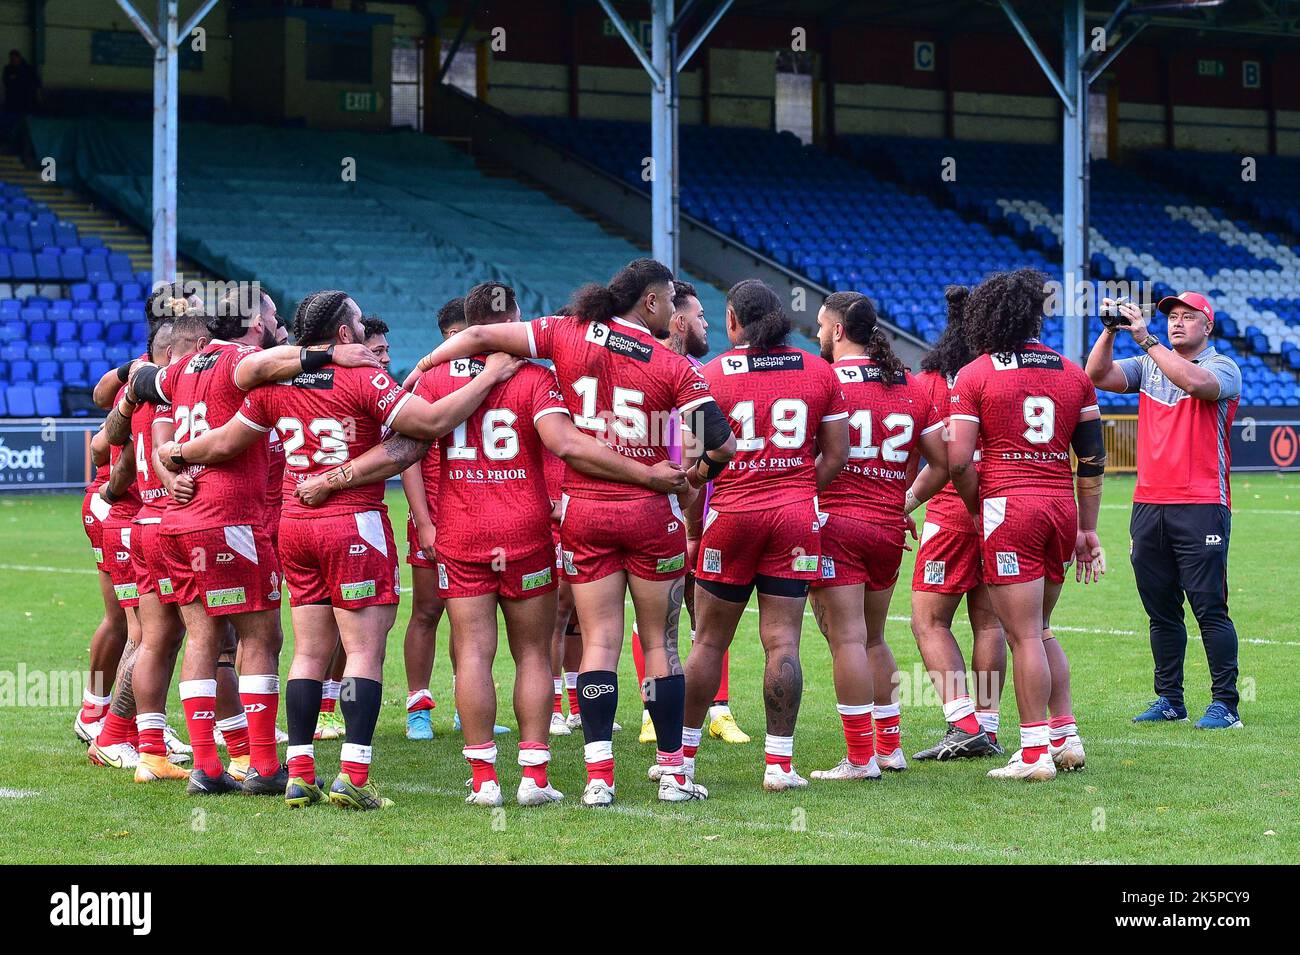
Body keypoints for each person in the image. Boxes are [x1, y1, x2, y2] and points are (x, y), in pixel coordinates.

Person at [160, 290, 522, 810]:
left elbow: (220, 445)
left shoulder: (273, 384)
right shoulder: (364, 375)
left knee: (308, 653)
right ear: (347, 335)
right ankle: (353, 774)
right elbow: (426, 426)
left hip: (296, 526)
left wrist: (175, 453)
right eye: (357, 320)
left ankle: (300, 773)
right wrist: (489, 377)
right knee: (363, 653)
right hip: (353, 524)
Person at [405, 258, 736, 806]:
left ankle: (598, 778)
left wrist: (423, 366)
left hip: (584, 512)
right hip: (650, 512)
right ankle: (673, 772)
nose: (677, 313)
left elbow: (484, 335)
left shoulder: (567, 333)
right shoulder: (673, 367)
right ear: (651, 302)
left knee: (597, 642)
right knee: (660, 642)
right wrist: (692, 475)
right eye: (673, 302)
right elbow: (720, 446)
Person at [127, 293, 383, 796]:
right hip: (230, 521)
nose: (276, 321)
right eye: (268, 314)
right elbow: (269, 364)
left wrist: (166, 463)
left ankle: (207, 766)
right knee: (260, 640)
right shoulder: (239, 360)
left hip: (178, 523)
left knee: (202, 640)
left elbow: (138, 383)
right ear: (253, 323)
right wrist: (331, 354)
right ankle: (264, 766)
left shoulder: (179, 370)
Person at [679, 279, 849, 793]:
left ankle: (680, 762)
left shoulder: (708, 375)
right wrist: (795, 490)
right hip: (795, 521)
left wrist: (693, 528)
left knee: (709, 640)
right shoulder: (819, 370)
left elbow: (693, 464)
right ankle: (779, 767)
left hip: (731, 515)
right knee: (784, 641)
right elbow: (836, 454)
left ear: (733, 319)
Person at [948, 269, 1106, 782]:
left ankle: (1035, 752)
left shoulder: (975, 374)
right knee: (1039, 629)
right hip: (1060, 505)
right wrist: (1087, 529)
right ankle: (1066, 735)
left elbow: (957, 462)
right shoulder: (1074, 374)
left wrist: (977, 507)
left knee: (1022, 636)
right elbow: (1094, 462)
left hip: (1009, 506)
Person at [807, 291, 953, 780]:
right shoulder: (908, 385)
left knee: (846, 639)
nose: (817, 334)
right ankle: (889, 748)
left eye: (822, 326)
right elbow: (944, 462)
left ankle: (859, 757)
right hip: (888, 527)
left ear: (839, 331)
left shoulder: (824, 381)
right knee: (873, 637)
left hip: (837, 523)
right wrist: (903, 501)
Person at [1086, 292, 1243, 729]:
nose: (1177, 323)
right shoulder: (1149, 362)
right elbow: (1096, 374)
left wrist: (1146, 340)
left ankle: (1226, 704)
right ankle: (1170, 699)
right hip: (1149, 503)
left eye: (1187, 317)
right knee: (1161, 609)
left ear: (1207, 326)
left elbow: (1197, 385)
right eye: (1172, 317)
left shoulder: (1223, 366)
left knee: (1209, 607)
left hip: (1202, 505)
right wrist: (1110, 330)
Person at [633, 280, 749, 746]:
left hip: (712, 513)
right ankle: (651, 710)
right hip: (662, 512)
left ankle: (717, 708)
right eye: (701, 317)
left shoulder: (702, 374)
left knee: (708, 617)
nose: (708, 325)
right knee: (659, 617)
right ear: (678, 320)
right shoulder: (648, 372)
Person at [908, 287, 1008, 760]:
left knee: (928, 620)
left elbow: (933, 459)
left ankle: (963, 722)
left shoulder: (931, 382)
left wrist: (904, 502)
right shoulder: (999, 376)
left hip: (950, 514)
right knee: (990, 623)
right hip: (998, 512)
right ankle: (987, 726)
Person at [399, 297, 465, 739]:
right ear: (445, 337)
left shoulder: (491, 378)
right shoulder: (427, 383)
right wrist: (424, 522)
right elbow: (409, 460)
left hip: (475, 519)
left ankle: (467, 706)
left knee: (470, 617)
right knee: (427, 610)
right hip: (435, 515)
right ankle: (417, 708)